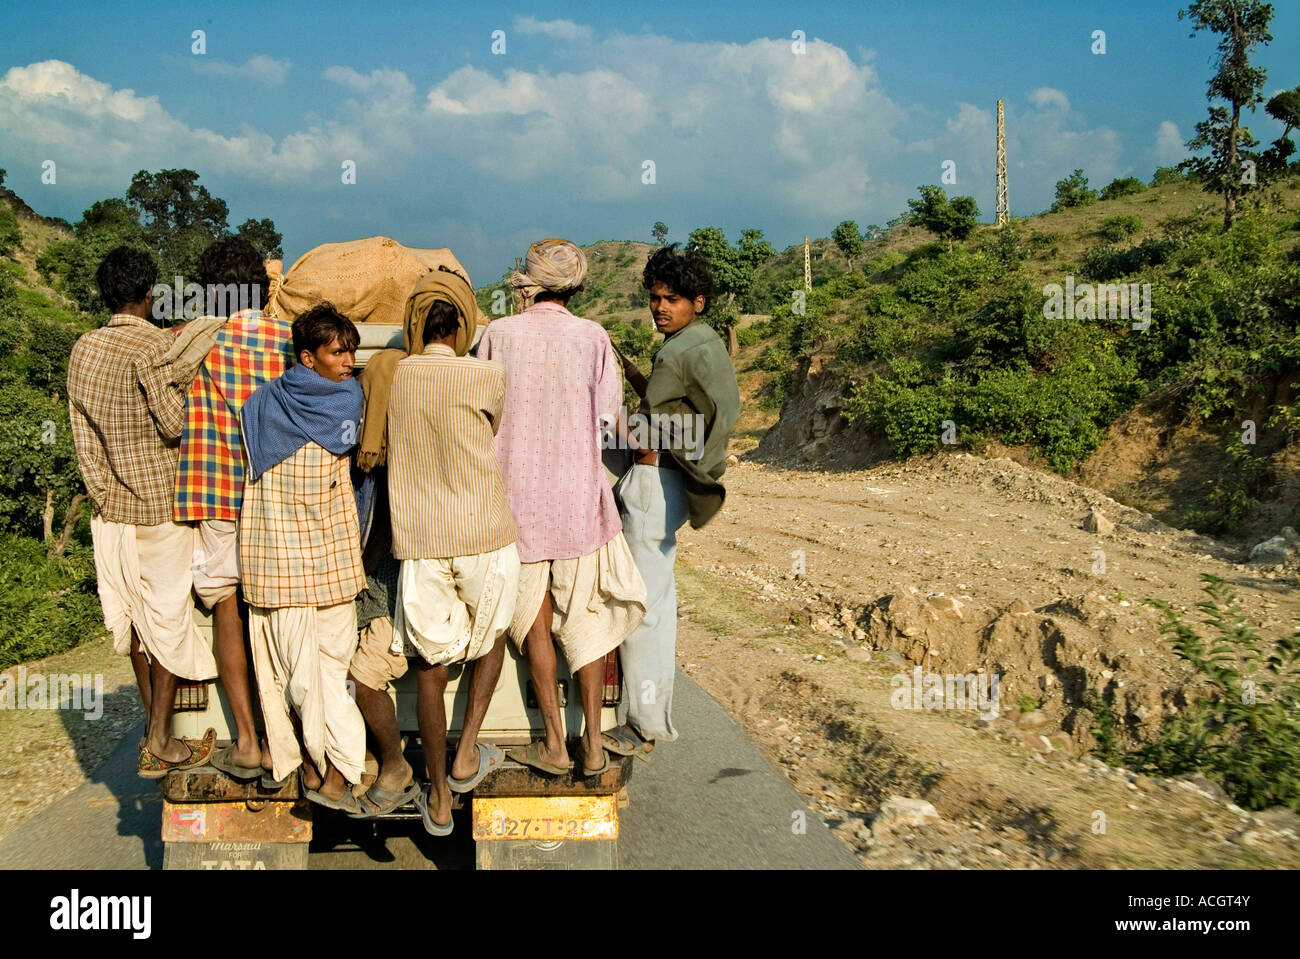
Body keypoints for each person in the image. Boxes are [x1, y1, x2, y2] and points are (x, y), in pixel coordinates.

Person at [477, 238, 646, 777]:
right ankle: (593, 743)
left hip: (514, 507)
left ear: (528, 284)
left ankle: (553, 740)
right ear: (573, 286)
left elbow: (480, 416)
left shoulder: (497, 335)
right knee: (589, 622)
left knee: (534, 620)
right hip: (577, 503)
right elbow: (610, 420)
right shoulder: (593, 338)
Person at [67, 246, 217, 778]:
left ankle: (154, 729)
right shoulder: (156, 345)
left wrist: (106, 496)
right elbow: (175, 424)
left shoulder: (82, 350)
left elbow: (83, 438)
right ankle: (160, 736)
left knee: (133, 619)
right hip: (163, 505)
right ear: (149, 294)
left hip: (112, 512)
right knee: (169, 618)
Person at [387, 267, 520, 836]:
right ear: (463, 325)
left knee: (430, 665)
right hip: (482, 533)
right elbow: (495, 429)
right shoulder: (488, 375)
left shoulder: (396, 376)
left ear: (416, 325)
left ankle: (437, 794)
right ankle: (467, 752)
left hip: (419, 541)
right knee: (490, 637)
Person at [602, 244, 740, 760]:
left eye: (673, 299)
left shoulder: (679, 350)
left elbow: (651, 429)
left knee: (643, 606)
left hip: (655, 483)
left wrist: (606, 416)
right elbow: (695, 410)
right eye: (655, 298)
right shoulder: (702, 343)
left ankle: (642, 721)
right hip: (675, 483)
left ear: (698, 302)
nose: (661, 308)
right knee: (657, 601)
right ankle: (647, 715)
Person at [238, 303, 369, 811]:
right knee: (299, 679)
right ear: (307, 358)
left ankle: (335, 770)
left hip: (330, 561)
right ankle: (321, 766)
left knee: (325, 677)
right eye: (338, 352)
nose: (349, 361)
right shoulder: (265, 403)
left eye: (352, 351)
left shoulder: (275, 404)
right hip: (281, 561)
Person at [172, 236, 292, 780]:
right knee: (276, 615)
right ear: (263, 289)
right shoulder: (292, 343)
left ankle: (246, 740)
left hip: (217, 495)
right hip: (280, 498)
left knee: (227, 607)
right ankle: (285, 735)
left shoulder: (190, 344)